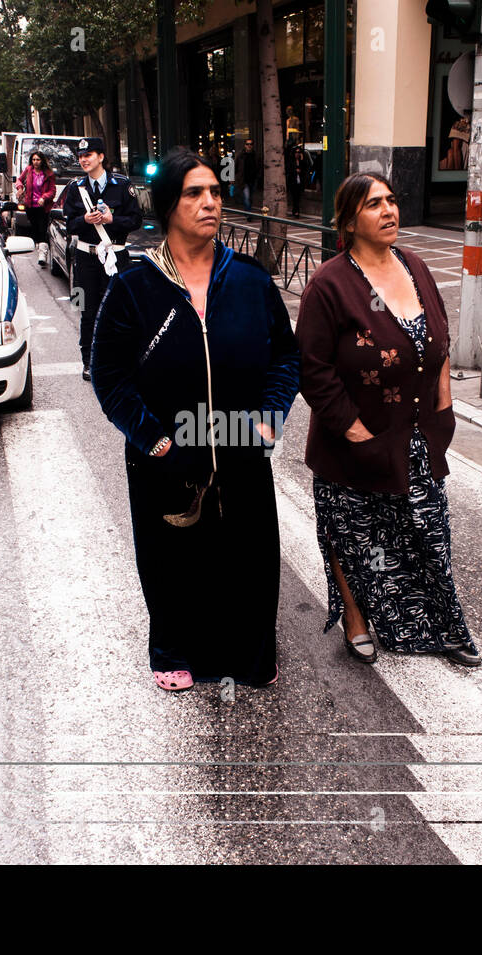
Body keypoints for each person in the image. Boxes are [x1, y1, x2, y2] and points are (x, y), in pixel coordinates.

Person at [91, 149, 300, 692]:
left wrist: (270, 417)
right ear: (167, 206)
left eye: (215, 192)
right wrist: (155, 441)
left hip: (241, 447)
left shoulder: (250, 281)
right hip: (165, 455)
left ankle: (251, 655)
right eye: (194, 193)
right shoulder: (133, 289)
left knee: (249, 555)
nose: (210, 202)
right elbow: (109, 376)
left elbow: (285, 355)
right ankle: (173, 651)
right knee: (174, 560)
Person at [296, 173, 478, 667]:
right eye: (374, 204)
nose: (389, 210)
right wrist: (357, 435)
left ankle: (440, 624)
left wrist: (443, 416)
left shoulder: (415, 267)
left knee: (427, 532)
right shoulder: (328, 285)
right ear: (350, 220)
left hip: (417, 437)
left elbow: (438, 344)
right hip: (352, 443)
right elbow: (314, 373)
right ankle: (356, 618)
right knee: (355, 536)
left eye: (392, 201)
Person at [61, 136, 142, 381]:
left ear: (101, 157)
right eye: (81, 156)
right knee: (87, 311)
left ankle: (118, 362)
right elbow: (68, 224)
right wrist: (84, 220)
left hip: (117, 258)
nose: (84, 159)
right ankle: (89, 362)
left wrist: (111, 221)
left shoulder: (122, 185)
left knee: (118, 311)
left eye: (89, 155)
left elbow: (136, 220)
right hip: (85, 260)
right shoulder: (76, 188)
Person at [15, 150, 57, 267]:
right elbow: (19, 180)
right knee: (35, 229)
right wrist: (19, 188)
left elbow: (52, 191)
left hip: (43, 207)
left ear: (42, 161)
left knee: (42, 228)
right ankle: (42, 248)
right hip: (30, 206)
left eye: (38, 160)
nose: (35, 162)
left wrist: (44, 197)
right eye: (33, 160)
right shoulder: (28, 171)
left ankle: (42, 255)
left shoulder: (48, 174)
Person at [235, 137, 262, 212]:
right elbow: (235, 167)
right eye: (247, 144)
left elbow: (259, 167)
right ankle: (248, 213)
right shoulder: (240, 155)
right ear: (245, 145)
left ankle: (248, 210)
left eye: (251, 144)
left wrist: (258, 177)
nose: (249, 146)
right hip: (244, 180)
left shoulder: (256, 155)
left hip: (253, 180)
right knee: (246, 197)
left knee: (250, 197)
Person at [285, 144, 311, 218]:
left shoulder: (302, 161)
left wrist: (302, 160)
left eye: (299, 152)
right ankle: (296, 211)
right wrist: (295, 171)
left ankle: (295, 211)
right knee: (294, 197)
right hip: (293, 181)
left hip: (300, 181)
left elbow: (306, 168)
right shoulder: (291, 161)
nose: (297, 154)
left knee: (298, 197)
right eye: (296, 152)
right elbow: (288, 170)